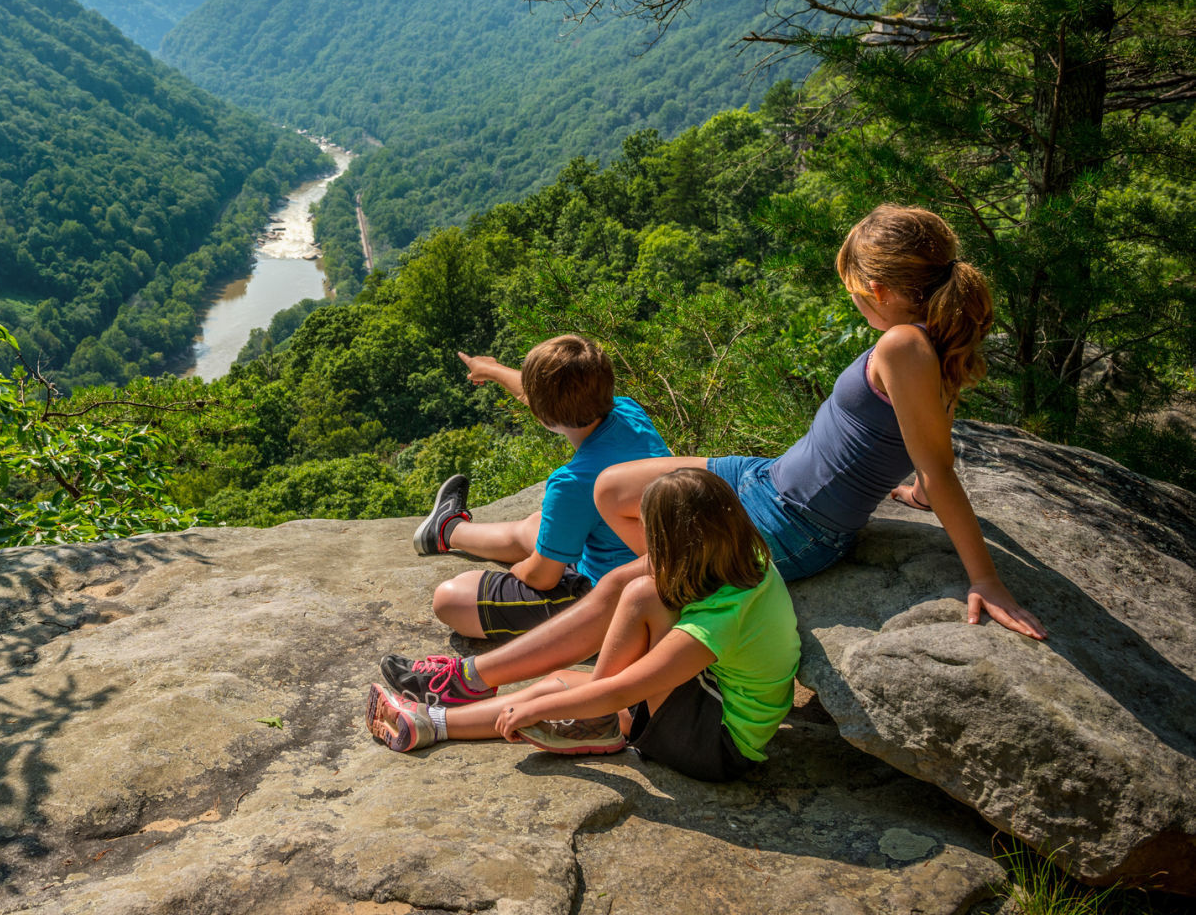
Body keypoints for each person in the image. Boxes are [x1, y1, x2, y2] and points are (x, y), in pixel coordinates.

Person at [382, 205, 1044, 714]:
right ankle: (676, 588)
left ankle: (481, 676)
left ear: (880, 288)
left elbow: (938, 465)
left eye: (850, 283)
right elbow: (917, 441)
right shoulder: (931, 335)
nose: (848, 294)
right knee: (612, 487)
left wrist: (983, 578)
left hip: (790, 523)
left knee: (623, 585)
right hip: (766, 478)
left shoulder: (904, 345)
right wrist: (904, 489)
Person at [367, 468, 800, 783]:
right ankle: (432, 722)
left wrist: (550, 710)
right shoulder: (739, 554)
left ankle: (597, 723)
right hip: (712, 702)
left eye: (653, 536)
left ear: (679, 542)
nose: (647, 545)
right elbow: (618, 586)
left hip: (717, 740)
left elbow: (623, 689)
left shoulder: (719, 619)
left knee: (567, 687)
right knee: (562, 680)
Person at [410, 335, 670, 640]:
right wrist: (490, 369)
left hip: (613, 600)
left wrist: (520, 571)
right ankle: (446, 530)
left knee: (451, 599)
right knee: (540, 525)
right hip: (651, 568)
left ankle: (447, 532)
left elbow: (543, 578)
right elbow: (551, 393)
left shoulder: (573, 482)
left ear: (540, 414)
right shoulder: (629, 412)